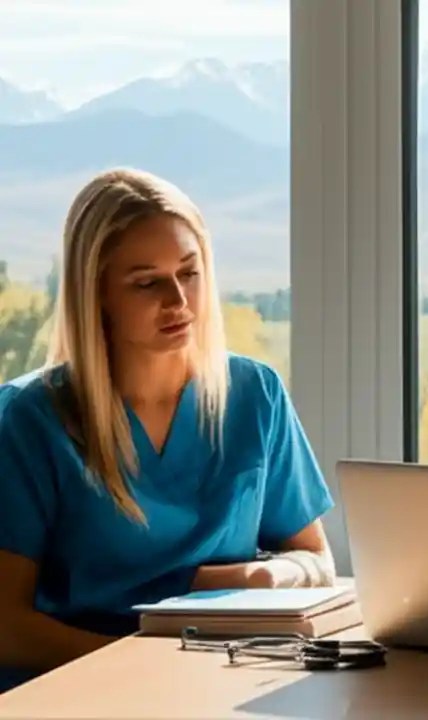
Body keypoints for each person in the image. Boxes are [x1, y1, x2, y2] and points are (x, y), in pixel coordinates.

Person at [0, 169, 336, 692]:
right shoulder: (29, 419)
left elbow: (316, 558)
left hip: (219, 685)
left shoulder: (256, 395)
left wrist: (267, 575)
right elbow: (7, 629)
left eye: (189, 271)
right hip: (72, 693)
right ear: (97, 293)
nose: (178, 300)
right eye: (147, 281)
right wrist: (146, 673)